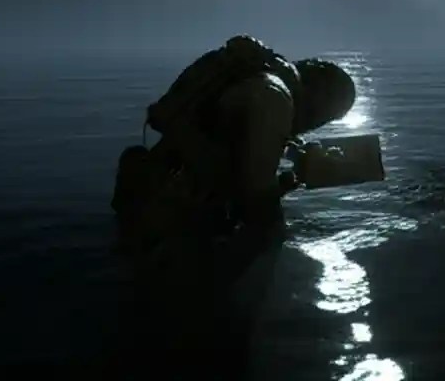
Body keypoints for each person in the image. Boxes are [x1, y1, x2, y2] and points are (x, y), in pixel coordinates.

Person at [112, 35, 356, 238]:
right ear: (320, 101)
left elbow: (234, 172)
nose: (315, 126)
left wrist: (289, 180)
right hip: (166, 218)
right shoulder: (275, 99)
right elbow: (258, 203)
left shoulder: (262, 86)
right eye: (326, 117)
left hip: (158, 198)